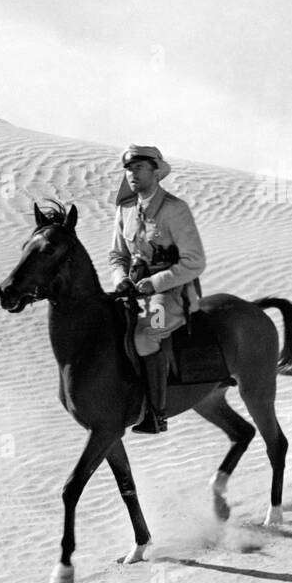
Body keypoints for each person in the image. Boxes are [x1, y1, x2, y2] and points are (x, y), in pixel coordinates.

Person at [108, 145, 206, 433]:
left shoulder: (175, 210)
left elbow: (195, 261)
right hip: (132, 292)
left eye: (139, 167)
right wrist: (120, 279)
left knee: (147, 334)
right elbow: (117, 256)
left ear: (156, 171)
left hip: (171, 295)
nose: (132, 173)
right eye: (129, 168)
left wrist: (155, 282)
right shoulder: (124, 210)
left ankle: (156, 413)